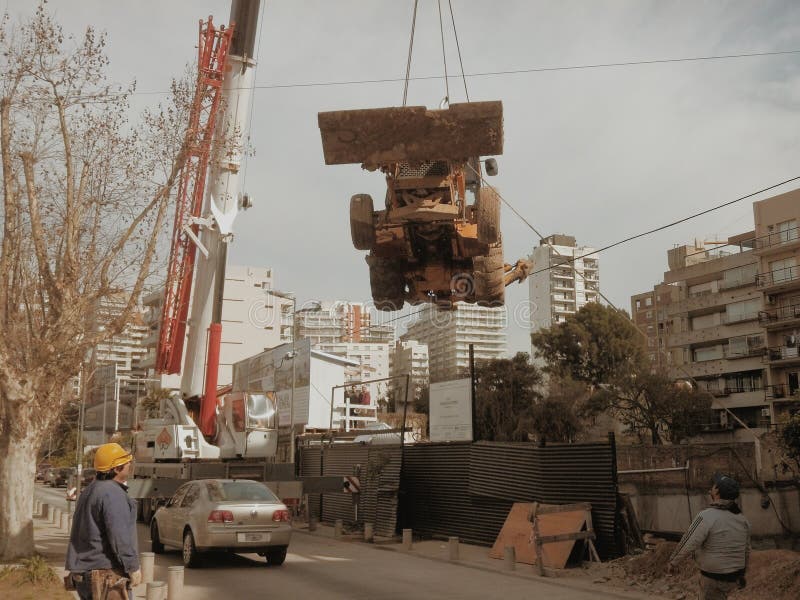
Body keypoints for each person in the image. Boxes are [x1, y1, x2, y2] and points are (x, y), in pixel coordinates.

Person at [65, 443, 141, 600]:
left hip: (85, 573)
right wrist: (133, 567)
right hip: (105, 575)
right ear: (116, 468)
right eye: (126, 462)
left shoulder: (91, 490)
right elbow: (119, 537)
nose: (129, 465)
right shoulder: (112, 493)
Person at [667, 472, 750, 600]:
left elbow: (689, 540)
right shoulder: (742, 519)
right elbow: (746, 550)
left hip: (714, 578)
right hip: (734, 578)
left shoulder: (706, 516)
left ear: (717, 491)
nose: (710, 488)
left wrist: (673, 562)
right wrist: (743, 573)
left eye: (713, 485)